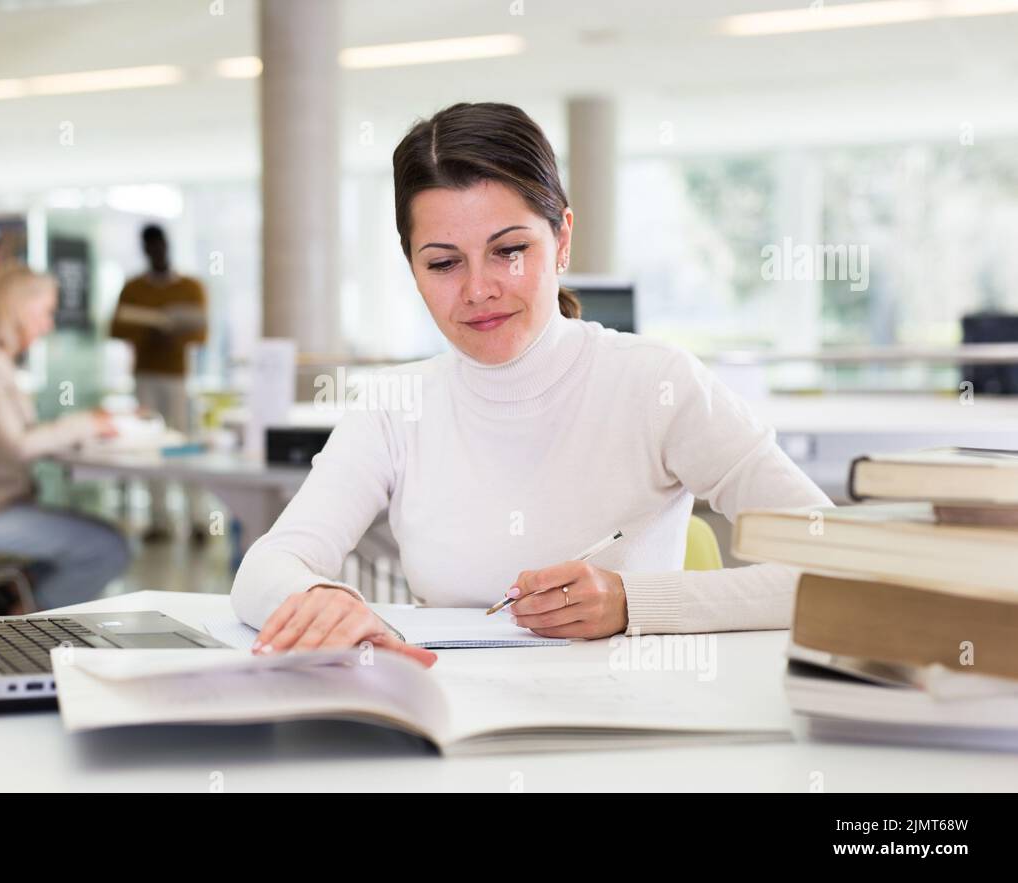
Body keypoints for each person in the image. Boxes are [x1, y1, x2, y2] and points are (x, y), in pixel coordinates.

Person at [230, 102, 832, 668]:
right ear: (412, 267)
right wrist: (313, 595)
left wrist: (633, 604)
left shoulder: (657, 382)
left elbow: (837, 568)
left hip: (628, 726)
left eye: (509, 251)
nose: (478, 289)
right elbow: (267, 566)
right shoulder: (395, 404)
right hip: (454, 717)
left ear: (562, 238)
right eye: (443, 262)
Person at [0, 266, 131, 612]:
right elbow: (17, 444)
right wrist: (86, 424)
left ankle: (7, 602)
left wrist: (81, 428)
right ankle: (25, 619)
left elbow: (21, 436)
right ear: (18, 309)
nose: (49, 324)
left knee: (94, 537)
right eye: (46, 312)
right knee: (107, 547)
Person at [110, 224, 210, 542]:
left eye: (160, 245)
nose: (156, 252)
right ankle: (159, 521)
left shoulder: (190, 287)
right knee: (150, 447)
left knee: (181, 446)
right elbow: (116, 328)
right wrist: (148, 330)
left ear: (167, 246)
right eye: (149, 247)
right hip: (145, 376)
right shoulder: (133, 288)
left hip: (177, 376)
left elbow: (201, 333)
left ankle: (196, 519)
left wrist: (173, 331)